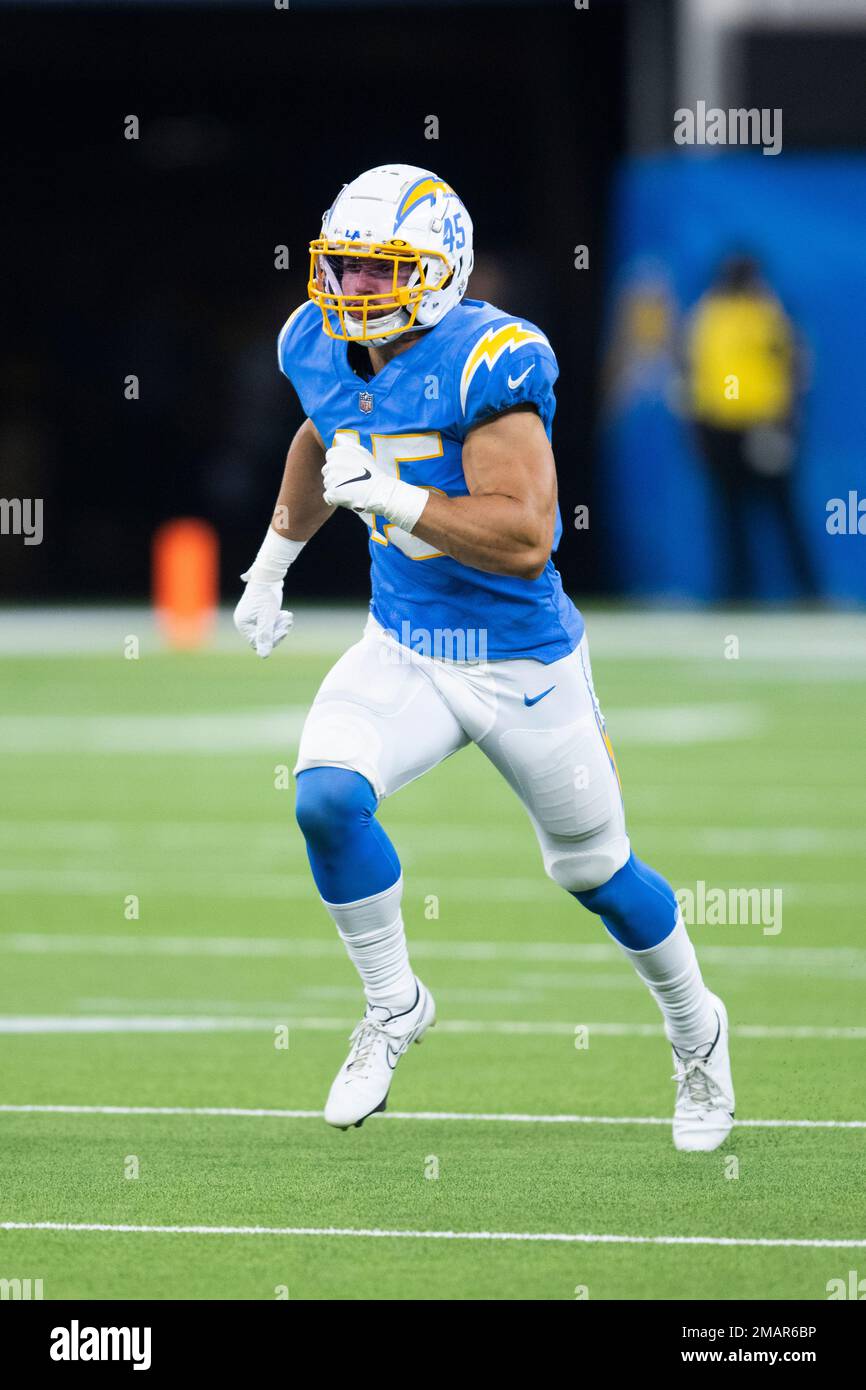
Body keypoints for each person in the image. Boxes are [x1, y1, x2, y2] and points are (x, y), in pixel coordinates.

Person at [234, 164, 735, 1150]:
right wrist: (269, 567)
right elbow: (317, 433)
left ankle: (695, 1029)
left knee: (595, 871)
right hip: (404, 645)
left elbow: (525, 537)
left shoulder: (488, 360)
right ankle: (393, 1004)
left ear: (436, 270)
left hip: (519, 662)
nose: (350, 291)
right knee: (325, 797)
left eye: (377, 273)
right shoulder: (316, 343)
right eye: (342, 268)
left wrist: (398, 499)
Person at [683, 253, 818, 599]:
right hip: (721, 426)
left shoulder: (766, 311)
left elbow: (795, 365)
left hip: (762, 424)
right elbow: (692, 371)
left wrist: (786, 420)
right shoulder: (709, 314)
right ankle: (735, 593)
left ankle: (808, 592)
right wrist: (697, 426)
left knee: (781, 511)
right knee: (729, 515)